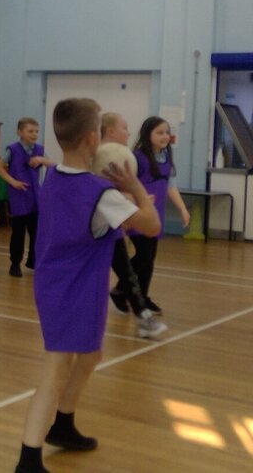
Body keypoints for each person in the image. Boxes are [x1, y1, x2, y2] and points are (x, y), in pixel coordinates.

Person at [14, 98, 161, 473]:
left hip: (63, 285)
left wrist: (121, 202)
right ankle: (28, 460)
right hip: (72, 291)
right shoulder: (101, 194)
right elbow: (152, 225)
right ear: (93, 139)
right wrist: (134, 188)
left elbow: (90, 220)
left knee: (91, 355)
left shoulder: (53, 178)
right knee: (55, 370)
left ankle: (63, 425)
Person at [101, 112, 167, 339]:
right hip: (98, 224)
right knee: (121, 270)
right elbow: (106, 190)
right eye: (124, 128)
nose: (128, 133)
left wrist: (133, 201)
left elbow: (117, 190)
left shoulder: (121, 156)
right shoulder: (102, 156)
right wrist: (133, 199)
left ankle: (142, 314)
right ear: (110, 131)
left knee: (127, 271)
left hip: (113, 223)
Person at [120, 116, 191, 315]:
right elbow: (125, 185)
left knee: (149, 259)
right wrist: (127, 209)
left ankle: (142, 297)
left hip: (155, 216)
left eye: (167, 132)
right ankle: (120, 289)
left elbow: (170, 186)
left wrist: (182, 209)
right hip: (138, 214)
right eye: (159, 132)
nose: (164, 136)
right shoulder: (137, 157)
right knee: (143, 256)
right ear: (147, 134)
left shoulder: (166, 158)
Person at [0, 117, 53, 277]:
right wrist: (13, 182)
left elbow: (53, 165)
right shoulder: (13, 150)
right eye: (30, 131)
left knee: (36, 232)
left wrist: (41, 160)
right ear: (20, 132)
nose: (34, 134)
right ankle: (15, 263)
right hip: (19, 197)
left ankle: (34, 261)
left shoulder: (39, 150)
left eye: (36, 131)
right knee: (18, 232)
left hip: (35, 196)